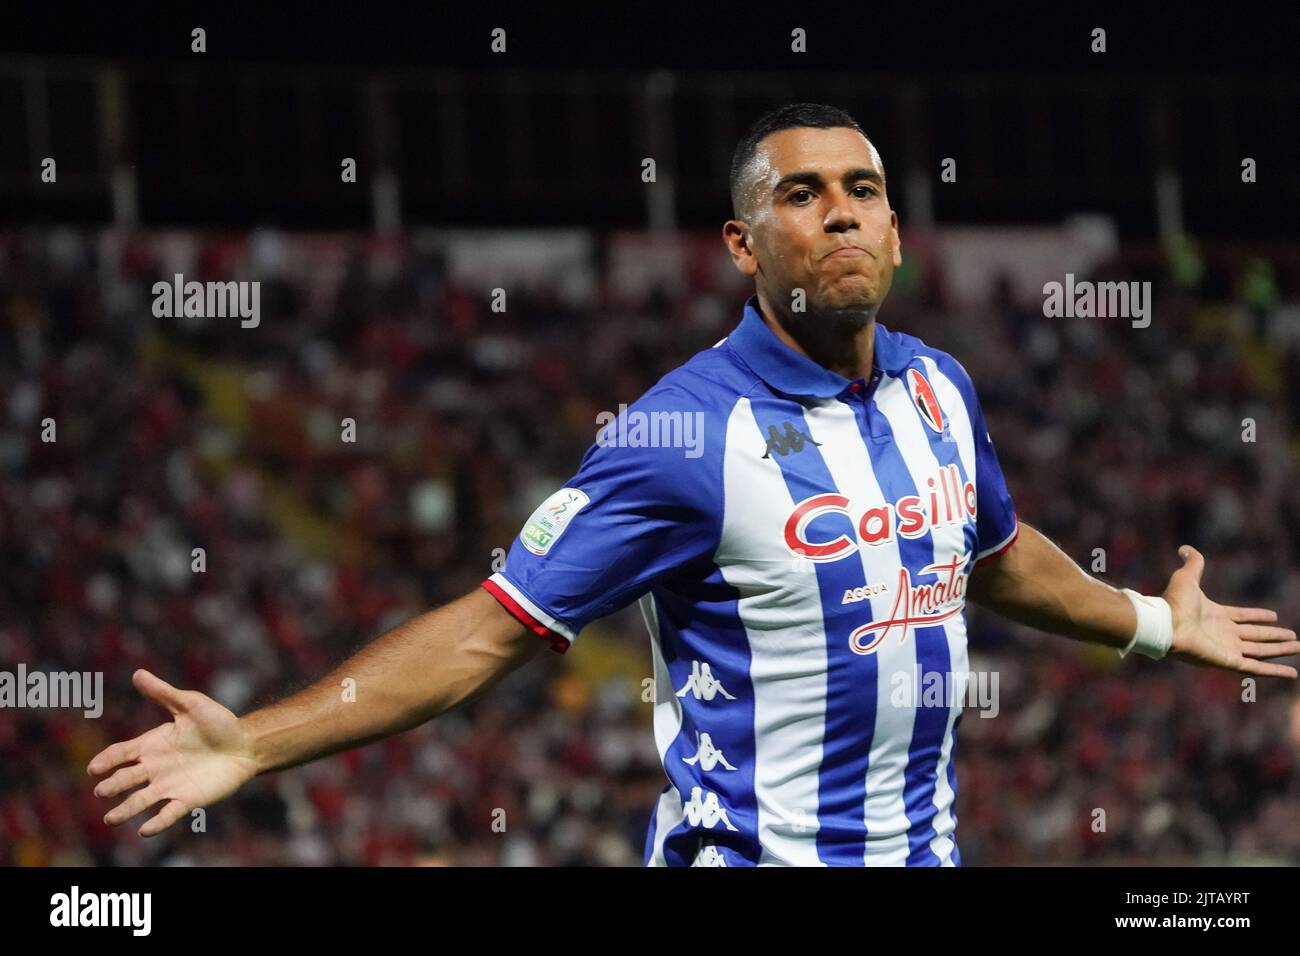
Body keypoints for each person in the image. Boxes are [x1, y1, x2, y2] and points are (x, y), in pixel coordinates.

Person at [89, 103, 1299, 867]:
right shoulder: (678, 432)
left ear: (896, 233)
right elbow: (486, 632)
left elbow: (988, 554)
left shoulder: (940, 385)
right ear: (740, 243)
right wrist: (256, 739)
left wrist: (1150, 621)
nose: (838, 214)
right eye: (800, 193)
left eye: (861, 190)